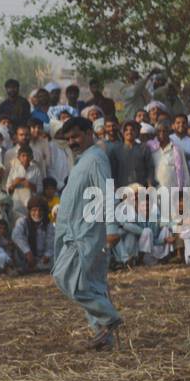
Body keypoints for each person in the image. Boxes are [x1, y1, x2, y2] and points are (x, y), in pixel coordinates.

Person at [51, 117, 123, 350]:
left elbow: (106, 193)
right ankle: (103, 337)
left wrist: (112, 228)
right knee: (91, 284)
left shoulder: (94, 159)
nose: (72, 141)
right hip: (78, 230)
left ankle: (108, 318)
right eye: (69, 138)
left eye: (76, 136)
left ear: (90, 133)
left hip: (86, 233)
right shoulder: (83, 160)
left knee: (64, 277)